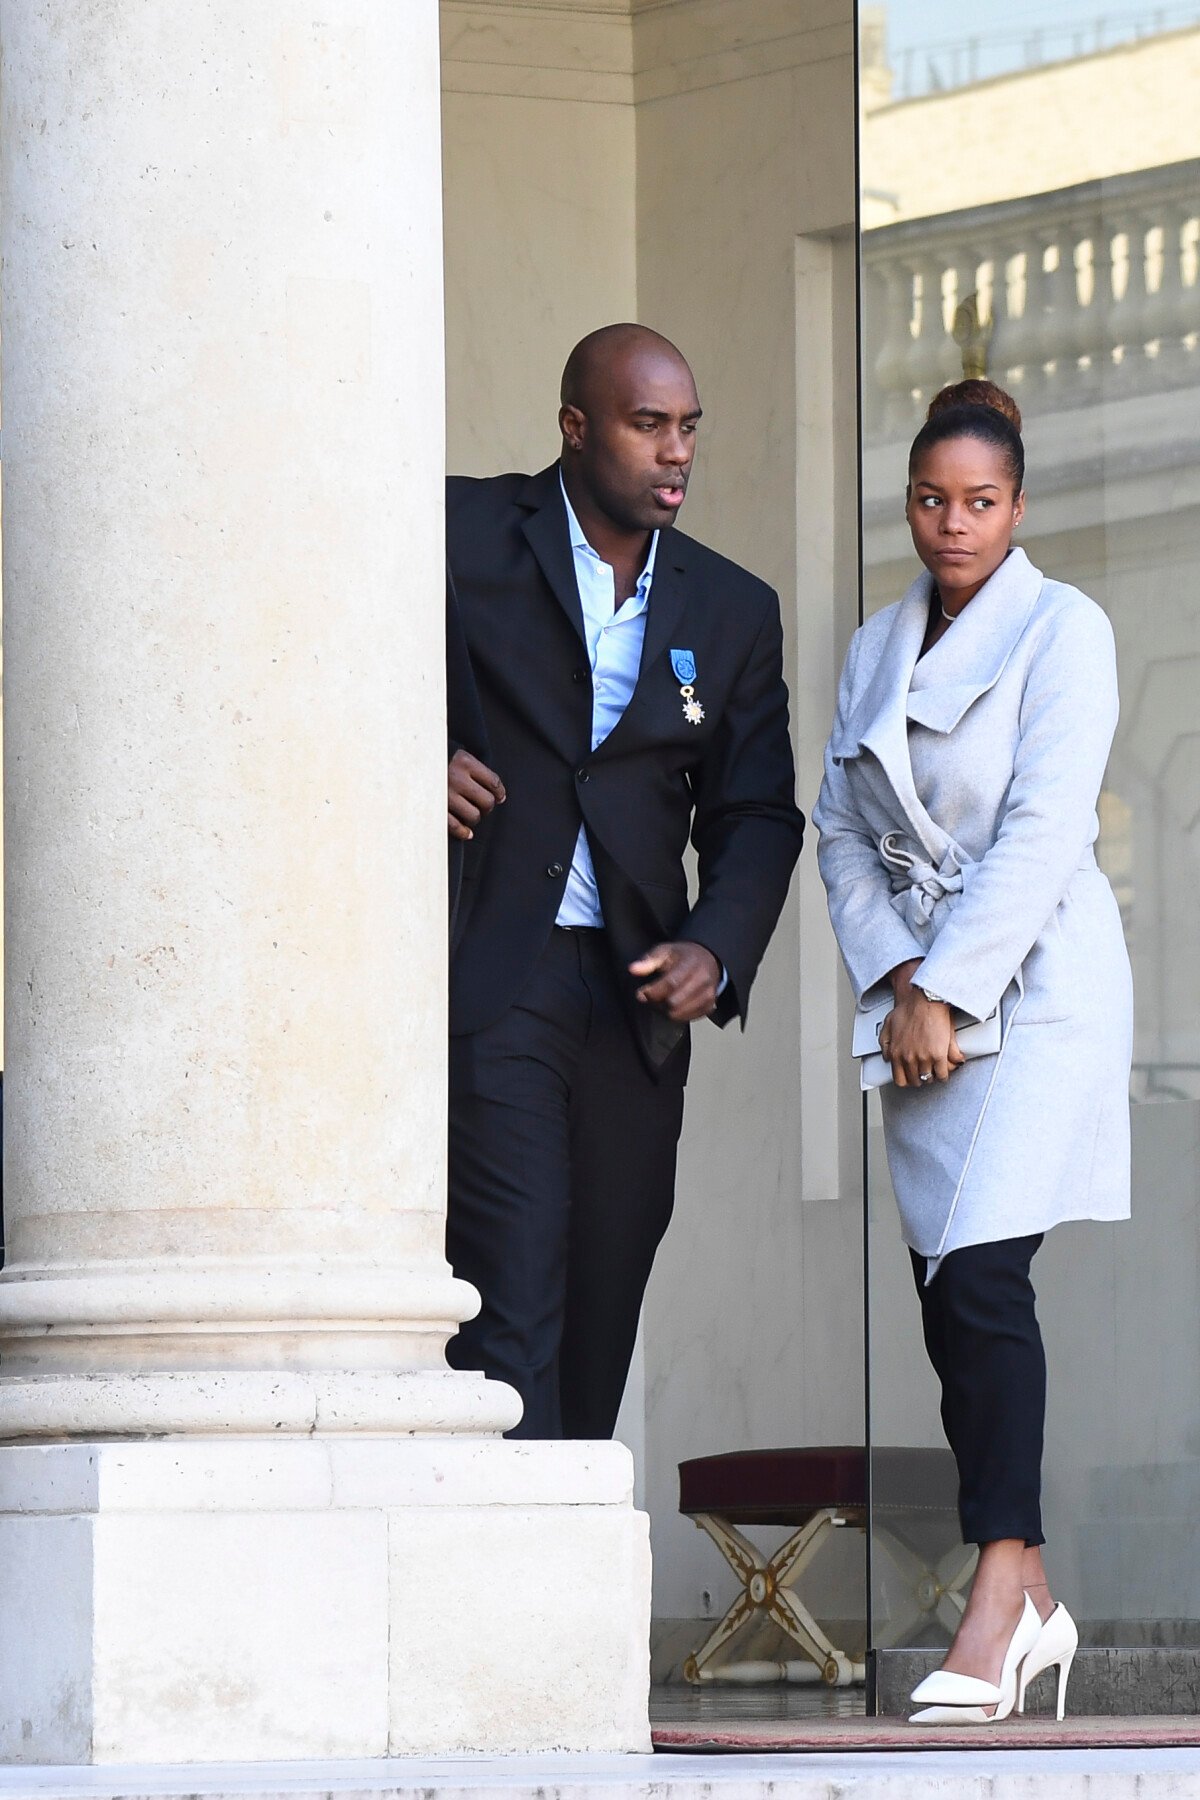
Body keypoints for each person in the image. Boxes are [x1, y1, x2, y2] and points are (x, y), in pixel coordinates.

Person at [814, 379, 1132, 1725]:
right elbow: (836, 821)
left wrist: (946, 985)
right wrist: (896, 975)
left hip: (1037, 984)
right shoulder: (878, 645)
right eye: (934, 501)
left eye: (982, 502)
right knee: (952, 1298)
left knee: (987, 1281)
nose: (956, 525)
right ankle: (1039, 1602)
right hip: (919, 1001)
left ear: (1020, 502)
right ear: (909, 501)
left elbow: (1046, 832)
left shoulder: (1067, 630)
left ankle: (997, 1594)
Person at [444, 323, 804, 1441]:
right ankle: (500, 1577)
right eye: (649, 425)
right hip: (498, 971)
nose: (676, 451)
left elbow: (756, 813)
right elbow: (313, 643)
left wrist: (719, 944)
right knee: (510, 1282)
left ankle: (560, 1557)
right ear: (575, 428)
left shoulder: (734, 609)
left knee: (606, 1283)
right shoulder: (457, 530)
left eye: (688, 426)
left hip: (639, 994)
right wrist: (398, 754)